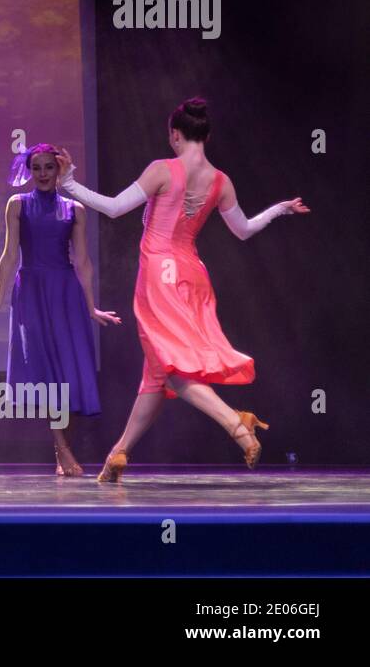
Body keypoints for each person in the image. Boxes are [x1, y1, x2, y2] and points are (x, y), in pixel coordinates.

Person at [55, 97, 309, 482]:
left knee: (173, 369)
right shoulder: (221, 181)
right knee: (157, 372)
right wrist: (279, 209)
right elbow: (243, 230)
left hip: (160, 274)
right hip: (194, 274)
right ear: (206, 135)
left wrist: (69, 181)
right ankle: (117, 455)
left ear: (175, 135)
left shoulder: (163, 169)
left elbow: (112, 208)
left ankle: (236, 424)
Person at [0, 143, 119, 476]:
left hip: (65, 293)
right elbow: (9, 255)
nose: (42, 174)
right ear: (29, 171)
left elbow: (82, 261)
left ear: (58, 170)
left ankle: (60, 451)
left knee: (68, 371)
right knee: (46, 371)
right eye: (36, 167)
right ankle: (62, 449)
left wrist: (92, 307)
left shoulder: (74, 210)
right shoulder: (17, 204)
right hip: (32, 292)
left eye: (48, 167)